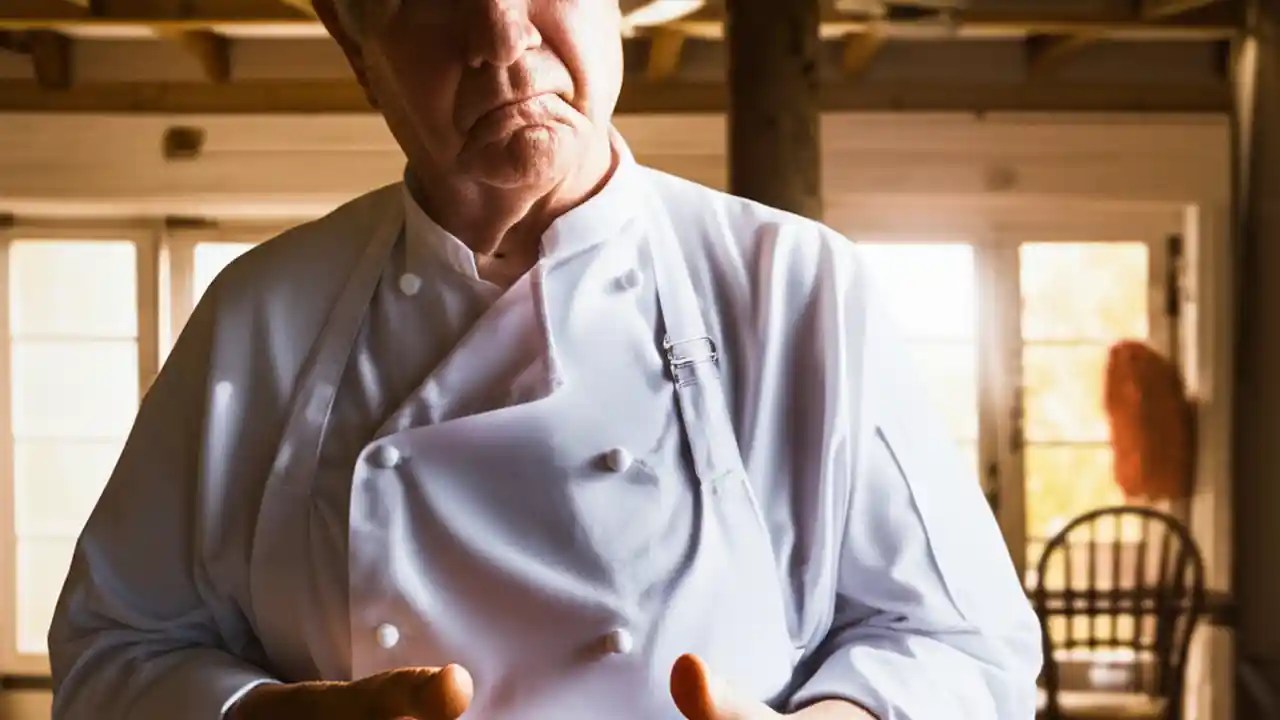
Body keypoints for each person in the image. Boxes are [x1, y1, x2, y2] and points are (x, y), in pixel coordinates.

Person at [47, 0, 1042, 718]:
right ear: (358, 48)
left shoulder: (794, 287)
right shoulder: (262, 313)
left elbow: (962, 649)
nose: (500, 38)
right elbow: (112, 655)